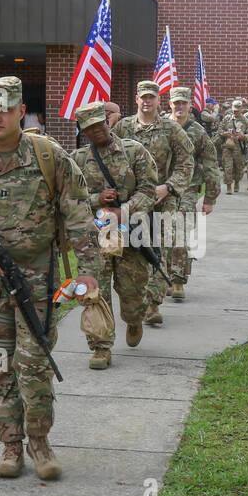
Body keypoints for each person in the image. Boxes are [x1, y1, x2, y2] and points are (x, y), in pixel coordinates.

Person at [0, 77, 100, 480]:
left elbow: (79, 214)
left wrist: (88, 271)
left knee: (33, 364)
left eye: (4, 108)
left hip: (38, 279)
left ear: (20, 112)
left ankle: (39, 443)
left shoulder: (49, 156)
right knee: (0, 365)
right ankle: (10, 447)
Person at [70, 101, 157, 367]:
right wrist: (97, 200)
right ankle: (101, 347)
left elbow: (149, 191)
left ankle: (134, 319)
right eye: (89, 128)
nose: (96, 131)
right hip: (95, 235)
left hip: (130, 232)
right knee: (95, 292)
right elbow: (70, 199)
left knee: (132, 291)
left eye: (99, 125)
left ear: (107, 122)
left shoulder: (134, 151)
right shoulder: (78, 160)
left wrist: (124, 210)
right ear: (83, 131)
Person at [112, 80, 194, 327]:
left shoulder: (171, 130)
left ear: (159, 101)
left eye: (152, 97)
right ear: (136, 99)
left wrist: (168, 186)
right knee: (132, 254)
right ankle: (135, 302)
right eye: (143, 97)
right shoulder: (123, 127)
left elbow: (186, 164)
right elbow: (108, 158)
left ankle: (153, 305)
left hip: (162, 200)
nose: (147, 102)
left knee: (162, 249)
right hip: (131, 202)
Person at [167, 86, 220, 301]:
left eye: (183, 103)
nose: (180, 106)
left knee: (180, 229)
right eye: (176, 102)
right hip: (160, 189)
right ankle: (161, 278)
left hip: (187, 190)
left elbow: (210, 165)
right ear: (169, 104)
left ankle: (178, 280)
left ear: (190, 105)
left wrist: (210, 198)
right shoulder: (160, 127)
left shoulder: (198, 132)